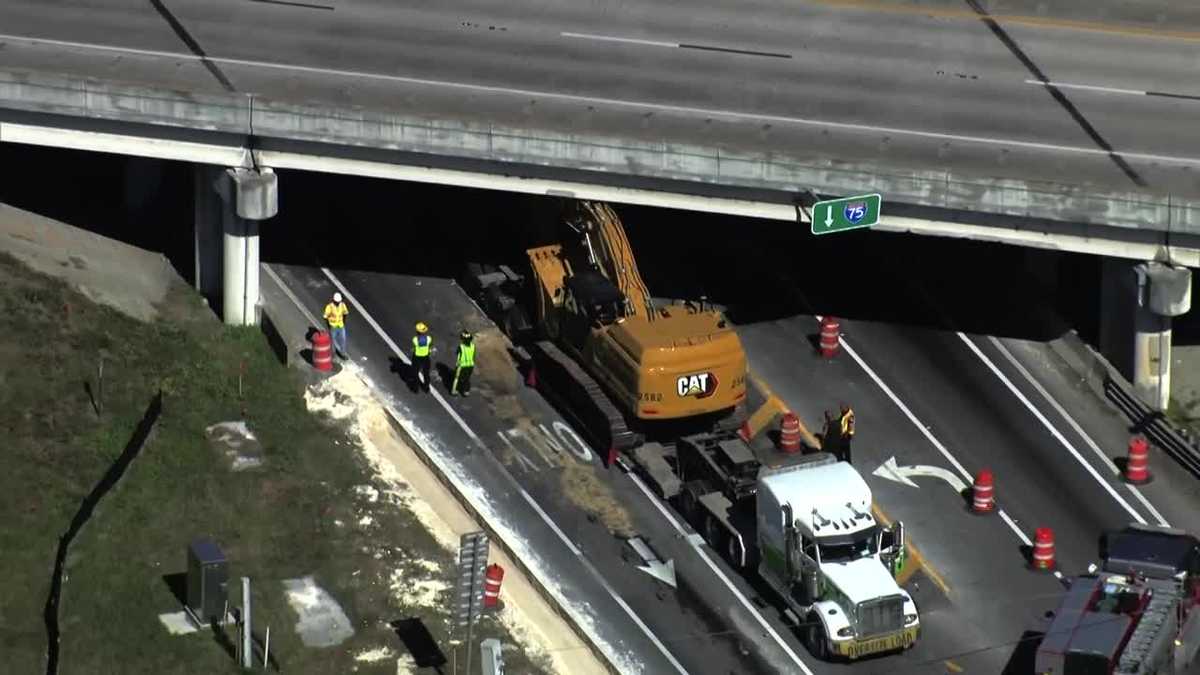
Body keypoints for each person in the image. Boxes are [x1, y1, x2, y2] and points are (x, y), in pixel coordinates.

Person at [323, 292, 350, 359]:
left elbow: (345, 313)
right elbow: (325, 317)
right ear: (333, 300)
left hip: (341, 325)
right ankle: (333, 354)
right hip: (333, 326)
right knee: (333, 341)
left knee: (343, 340)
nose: (338, 303)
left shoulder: (342, 305)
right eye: (336, 302)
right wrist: (329, 326)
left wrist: (343, 322)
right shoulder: (329, 307)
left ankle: (342, 354)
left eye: (339, 302)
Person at [452, 330, 476, 397]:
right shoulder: (473, 346)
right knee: (467, 378)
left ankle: (454, 391)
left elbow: (457, 353)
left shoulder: (461, 347)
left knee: (457, 378)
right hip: (470, 365)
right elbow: (473, 355)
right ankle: (466, 391)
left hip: (461, 365)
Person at [412, 322, 433, 393]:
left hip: (417, 358)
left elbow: (415, 347)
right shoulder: (429, 338)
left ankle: (416, 388)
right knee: (426, 373)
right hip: (426, 358)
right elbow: (429, 346)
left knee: (415, 372)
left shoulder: (415, 339)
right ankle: (426, 388)